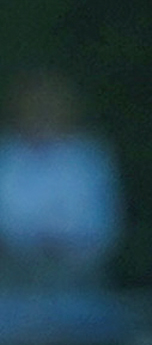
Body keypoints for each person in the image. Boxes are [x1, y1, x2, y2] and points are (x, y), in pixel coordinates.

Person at [0, 68, 122, 290]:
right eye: (33, 105)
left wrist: (55, 241)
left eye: (48, 106)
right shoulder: (8, 155)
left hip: (74, 269)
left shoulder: (87, 158)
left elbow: (97, 222)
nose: (40, 113)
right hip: (11, 267)